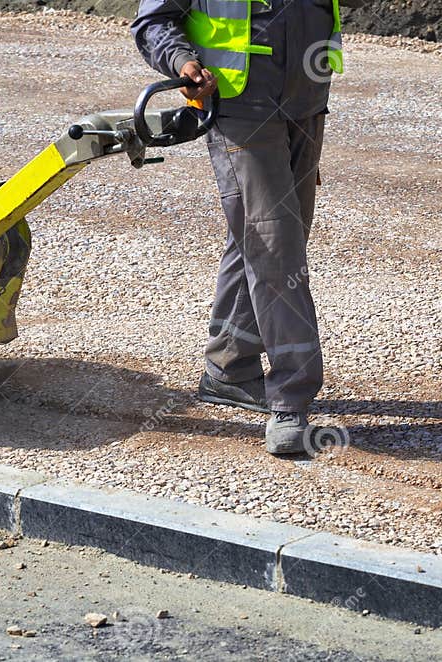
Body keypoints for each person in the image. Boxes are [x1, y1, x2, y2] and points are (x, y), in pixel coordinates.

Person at [132, 0, 363, 454]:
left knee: (263, 239)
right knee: (276, 249)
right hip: (241, 109)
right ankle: (291, 402)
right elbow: (153, 19)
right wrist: (182, 61)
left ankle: (230, 366)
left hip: (307, 103)